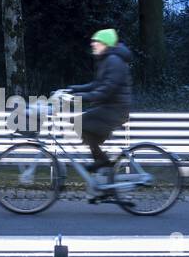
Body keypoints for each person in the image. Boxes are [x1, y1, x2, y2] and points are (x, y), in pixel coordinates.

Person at [56, 29, 133, 195]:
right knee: (80, 125)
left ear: (105, 44)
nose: (92, 44)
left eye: (96, 42)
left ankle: (102, 162)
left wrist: (78, 98)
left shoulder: (114, 60)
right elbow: (96, 84)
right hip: (109, 107)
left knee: (79, 124)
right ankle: (102, 164)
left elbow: (105, 91)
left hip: (115, 109)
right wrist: (71, 90)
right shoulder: (107, 59)